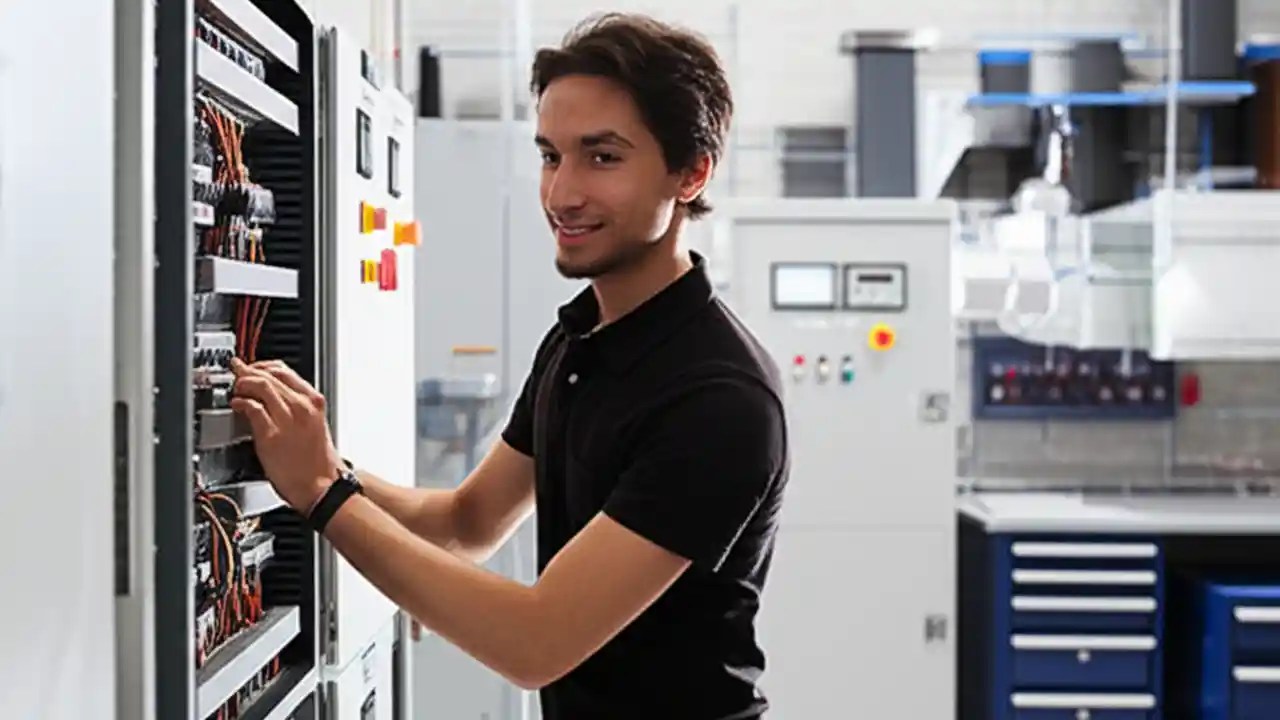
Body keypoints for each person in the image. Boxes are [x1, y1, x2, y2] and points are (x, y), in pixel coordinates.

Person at [229, 12, 789, 720]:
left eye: (603, 157)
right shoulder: (580, 341)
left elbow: (537, 642)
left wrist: (321, 494)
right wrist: (314, 460)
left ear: (691, 172)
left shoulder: (719, 398)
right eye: (552, 156)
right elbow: (467, 522)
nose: (562, 193)